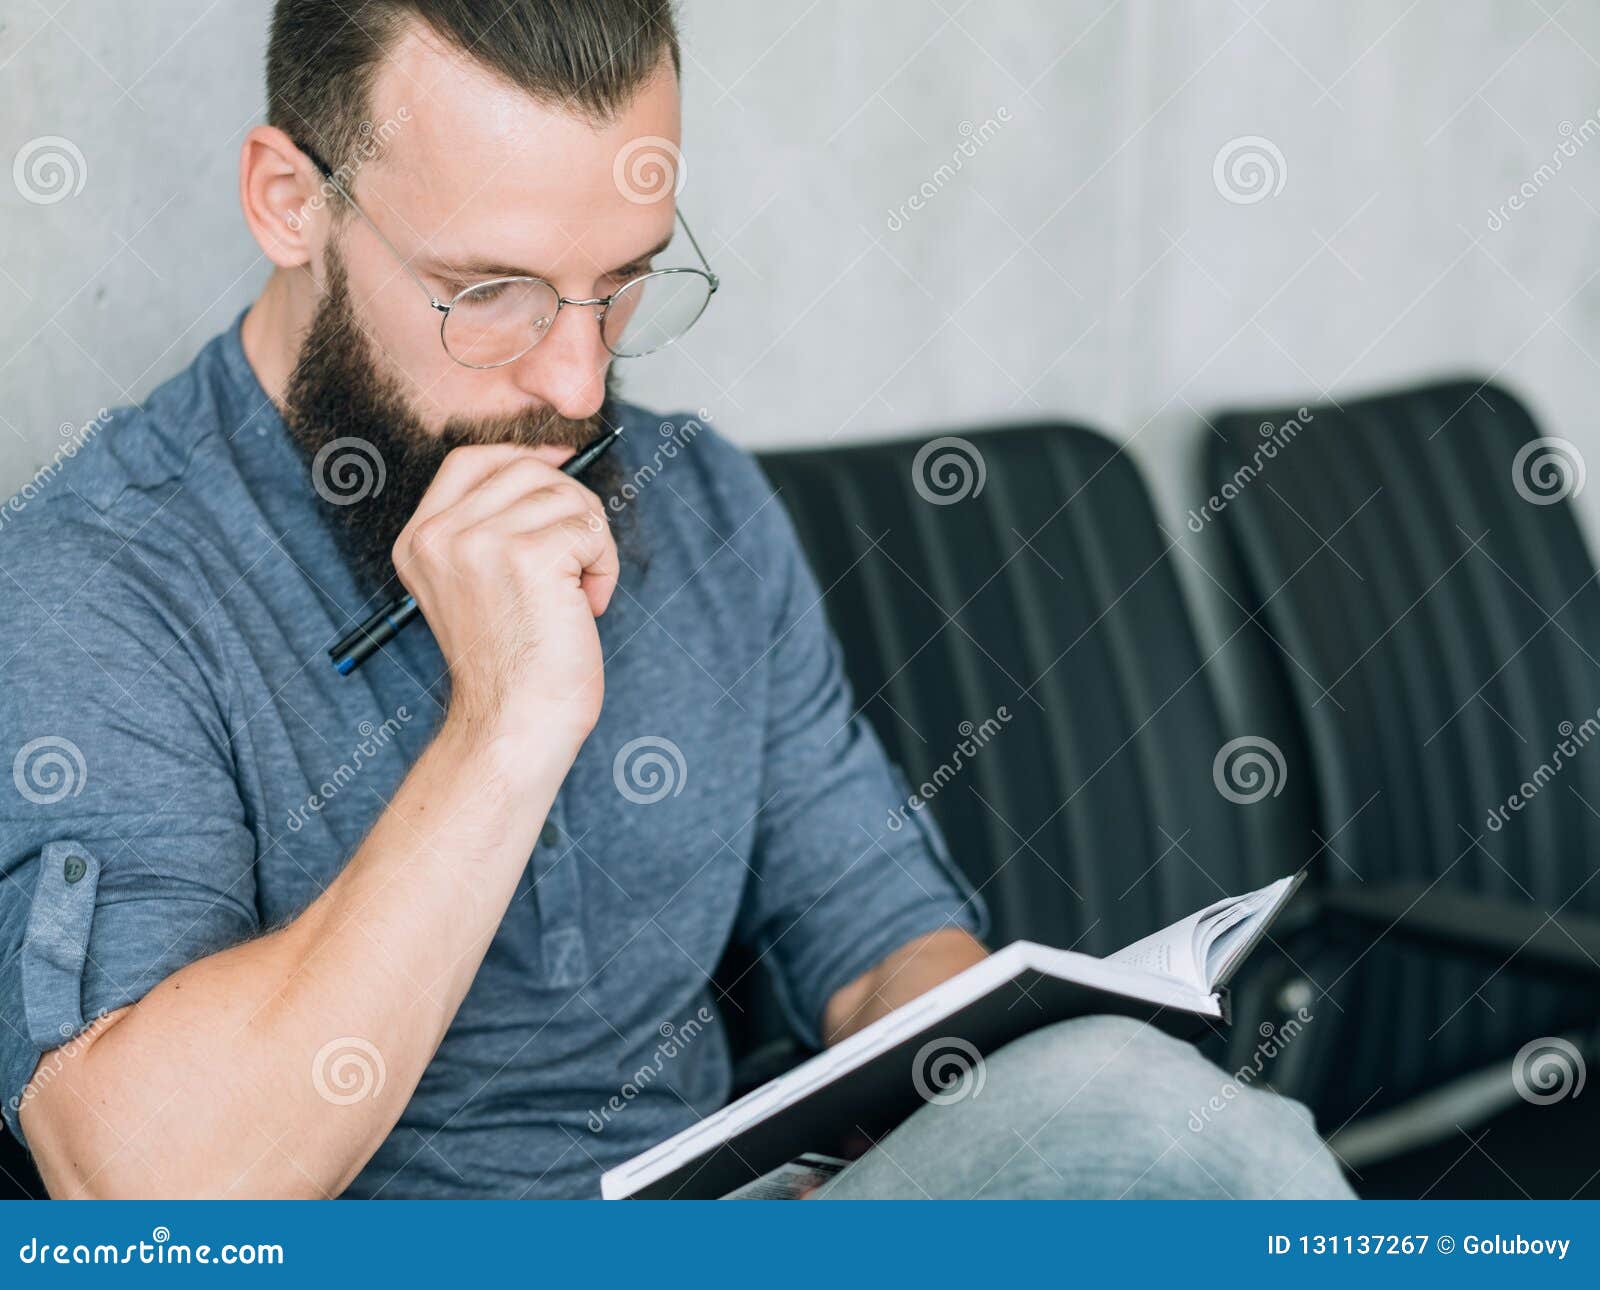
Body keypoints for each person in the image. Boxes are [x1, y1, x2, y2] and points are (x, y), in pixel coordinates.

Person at [0, 0, 1352, 1200]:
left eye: (625, 281)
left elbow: (883, 945)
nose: (582, 389)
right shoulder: (100, 576)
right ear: (291, 200)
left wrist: (985, 1094)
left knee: (1129, 1106)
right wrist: (505, 729)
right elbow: (150, 1193)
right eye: (493, 294)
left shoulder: (699, 511)